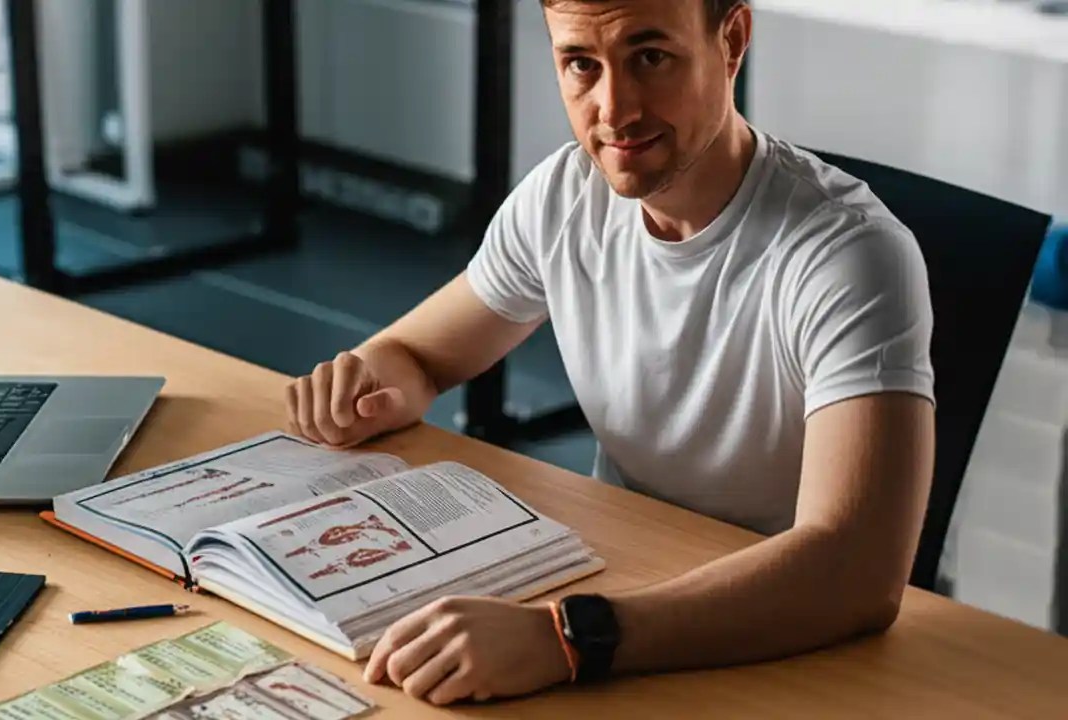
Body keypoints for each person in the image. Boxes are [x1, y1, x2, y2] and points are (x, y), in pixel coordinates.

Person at [284, 0, 936, 706]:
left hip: (781, 641)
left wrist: (569, 637)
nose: (615, 110)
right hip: (626, 593)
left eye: (650, 57)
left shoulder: (848, 254)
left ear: (732, 40)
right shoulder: (566, 196)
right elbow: (416, 354)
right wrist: (371, 385)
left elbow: (857, 571)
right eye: (581, 65)